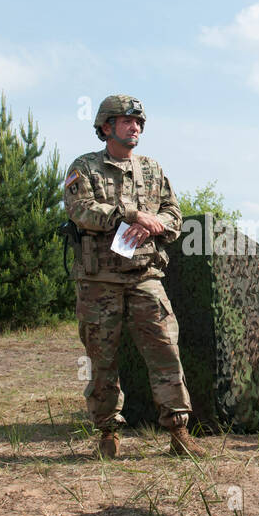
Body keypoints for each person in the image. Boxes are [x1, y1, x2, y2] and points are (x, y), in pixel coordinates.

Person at [63, 94, 204, 459]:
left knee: (164, 350)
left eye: (139, 122)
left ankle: (178, 430)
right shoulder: (85, 167)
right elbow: (79, 209)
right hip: (100, 282)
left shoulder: (153, 169)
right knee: (102, 357)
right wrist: (131, 215)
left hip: (145, 275)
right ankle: (108, 431)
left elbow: (174, 212)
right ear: (106, 126)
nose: (135, 127)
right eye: (127, 121)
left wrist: (157, 225)